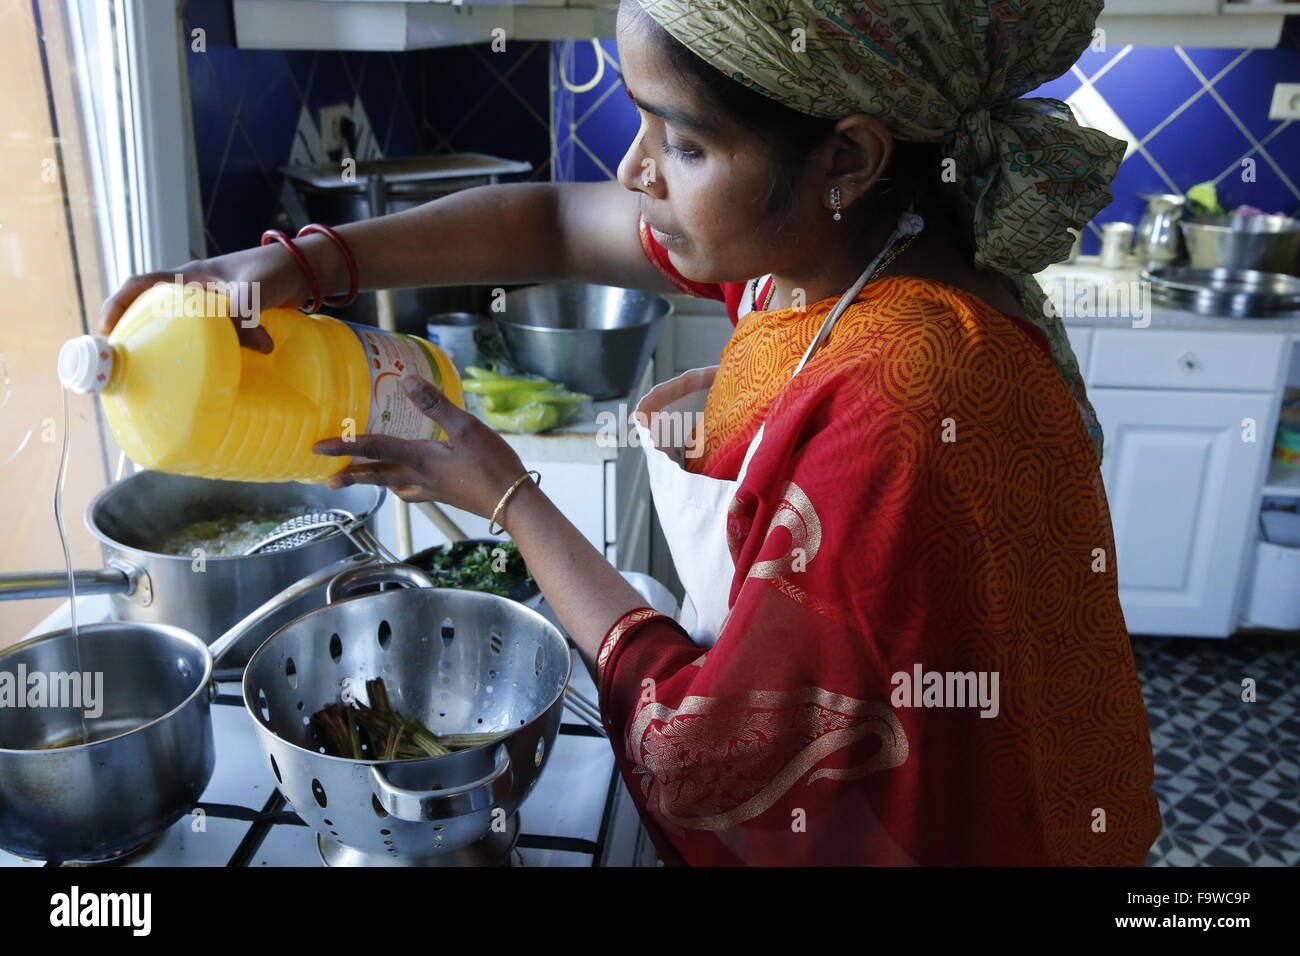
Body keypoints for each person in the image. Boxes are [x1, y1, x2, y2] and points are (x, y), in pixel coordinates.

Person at [102, 0, 1162, 865]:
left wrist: (507, 495)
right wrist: (305, 263)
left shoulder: (901, 395)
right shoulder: (835, 249)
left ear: (847, 154)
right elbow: (553, 221)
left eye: (685, 141)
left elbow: (701, 755)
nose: (637, 171)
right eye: (640, 121)